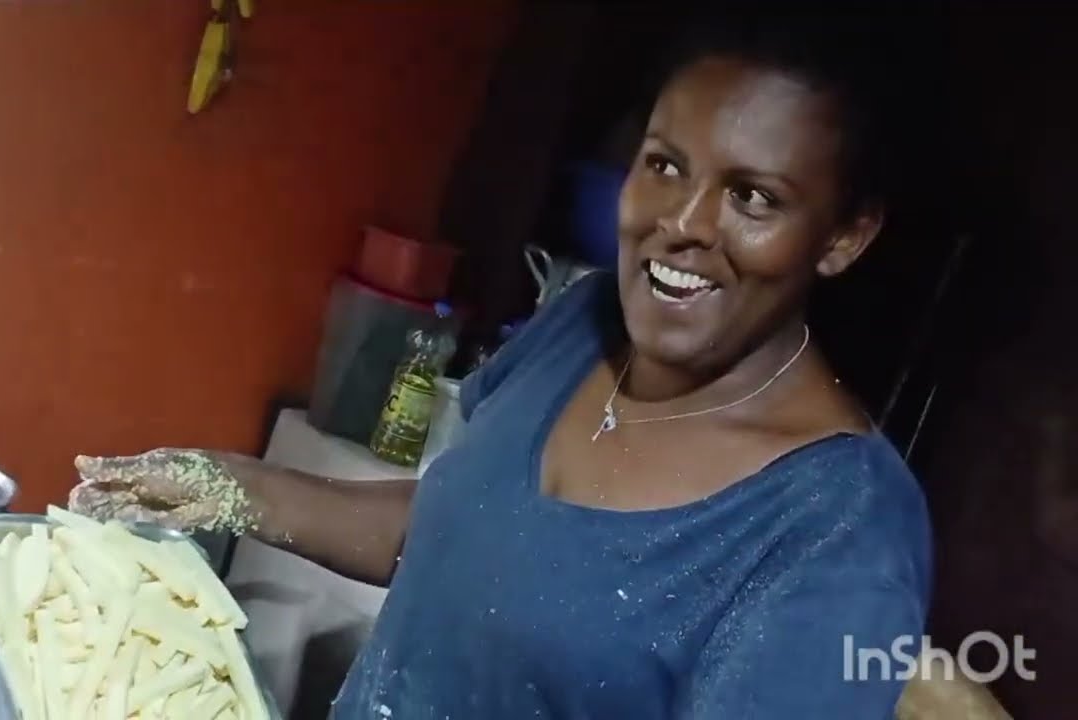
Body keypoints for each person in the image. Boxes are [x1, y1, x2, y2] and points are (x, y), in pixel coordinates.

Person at [72, 12, 934, 719]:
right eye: (665, 165)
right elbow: (454, 532)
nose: (685, 222)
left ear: (845, 235)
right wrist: (233, 487)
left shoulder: (838, 528)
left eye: (754, 198)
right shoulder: (580, 326)